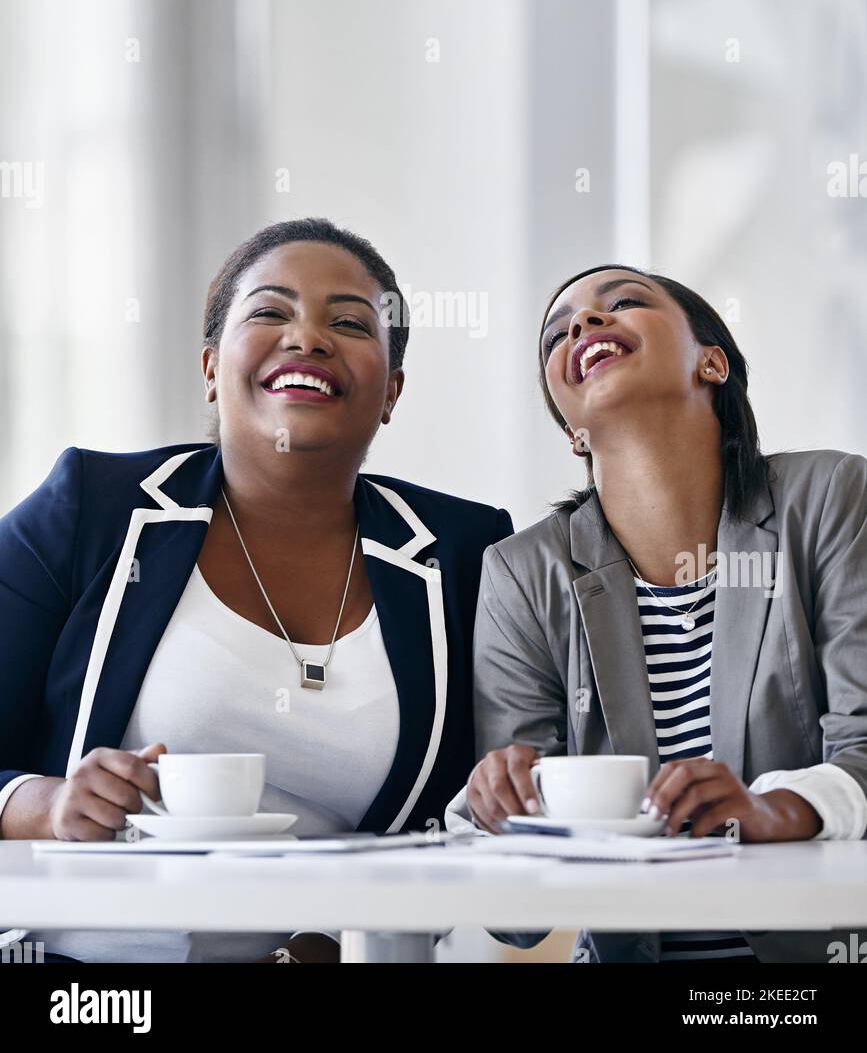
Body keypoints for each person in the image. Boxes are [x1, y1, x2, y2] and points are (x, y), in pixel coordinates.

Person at [0, 217, 512, 962]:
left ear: (391, 389)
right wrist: (41, 804)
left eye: (348, 322)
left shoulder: (464, 551)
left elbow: (491, 801)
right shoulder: (91, 509)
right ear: (211, 366)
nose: (307, 337)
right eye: (270, 311)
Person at [446, 263, 867, 963]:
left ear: (711, 362)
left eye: (623, 303)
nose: (582, 324)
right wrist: (496, 814)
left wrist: (772, 812)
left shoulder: (828, 497)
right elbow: (514, 917)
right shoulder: (521, 573)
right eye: (558, 332)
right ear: (568, 426)